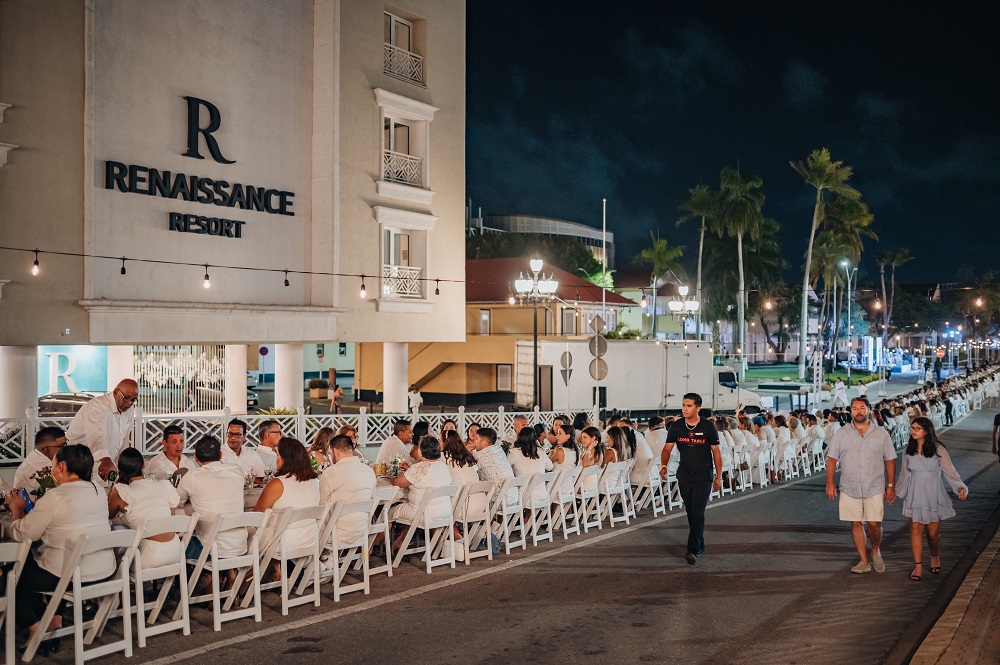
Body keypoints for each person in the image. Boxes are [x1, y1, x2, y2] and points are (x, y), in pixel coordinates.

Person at [7, 444, 113, 642]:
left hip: (71, 575)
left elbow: (25, 534)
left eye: (53, 464)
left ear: (61, 466)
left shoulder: (56, 496)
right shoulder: (98, 491)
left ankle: (35, 627)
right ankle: (55, 619)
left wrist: (16, 510)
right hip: (104, 571)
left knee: (10, 574)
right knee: (56, 557)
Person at [825, 397, 897, 574]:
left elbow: (890, 459)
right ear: (850, 411)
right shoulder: (841, 433)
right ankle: (864, 561)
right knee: (856, 523)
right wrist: (830, 482)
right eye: (855, 408)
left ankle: (875, 550)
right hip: (849, 486)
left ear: (869, 410)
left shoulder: (881, 434)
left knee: (874, 524)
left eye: (862, 408)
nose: (858, 411)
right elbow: (832, 459)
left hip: (875, 486)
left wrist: (890, 484)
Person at [896, 417, 968, 580]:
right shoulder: (908, 449)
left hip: (933, 491)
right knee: (915, 529)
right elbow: (904, 474)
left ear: (926, 431)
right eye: (912, 428)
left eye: (918, 428)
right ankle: (918, 566)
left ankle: (934, 555)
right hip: (915, 492)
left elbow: (950, 471)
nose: (913, 431)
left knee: (933, 533)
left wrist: (960, 488)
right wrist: (896, 492)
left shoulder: (938, 449)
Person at [659, 393, 723, 565]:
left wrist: (718, 477)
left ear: (698, 408)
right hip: (684, 475)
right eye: (683, 405)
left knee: (698, 511)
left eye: (689, 406)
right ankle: (699, 543)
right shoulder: (677, 426)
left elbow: (716, 452)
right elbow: (667, 449)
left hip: (703, 476)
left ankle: (693, 549)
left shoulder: (708, 426)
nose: (685, 409)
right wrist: (663, 465)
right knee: (690, 511)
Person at [253, 438, 321, 576]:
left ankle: (239, 574)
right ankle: (275, 568)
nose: (276, 459)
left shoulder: (277, 484)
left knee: (244, 534)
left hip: (283, 543)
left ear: (286, 459)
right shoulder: (315, 482)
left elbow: (256, 515)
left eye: (278, 455)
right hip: (308, 540)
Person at [107, 448, 183, 568]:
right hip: (176, 551)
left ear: (119, 469)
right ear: (144, 465)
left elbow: (108, 515)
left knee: (116, 542)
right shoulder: (162, 485)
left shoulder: (123, 491)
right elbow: (171, 514)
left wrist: (115, 485)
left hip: (150, 557)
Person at [177, 436, 248, 560]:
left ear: (195, 458)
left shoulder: (191, 476)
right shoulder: (237, 470)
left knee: (176, 544)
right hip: (240, 546)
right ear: (221, 455)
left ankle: (205, 573)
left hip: (211, 550)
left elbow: (177, 502)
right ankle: (227, 570)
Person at [65, 378, 139, 480]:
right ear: (116, 392)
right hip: (79, 465)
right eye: (127, 398)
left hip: (107, 466)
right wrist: (105, 459)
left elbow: (124, 441)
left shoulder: (129, 410)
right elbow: (97, 436)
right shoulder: (98, 407)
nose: (130, 403)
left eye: (134, 400)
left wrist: (124, 466)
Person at [389, 435, 452, 550]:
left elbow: (397, 483)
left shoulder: (418, 468)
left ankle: (371, 547)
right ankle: (401, 541)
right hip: (444, 513)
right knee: (409, 506)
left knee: (387, 513)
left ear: (421, 451)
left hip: (422, 514)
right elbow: (426, 477)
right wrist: (410, 470)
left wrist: (391, 477)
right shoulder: (443, 467)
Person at [319, 434, 376, 546]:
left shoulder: (331, 472)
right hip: (361, 531)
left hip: (335, 533)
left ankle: (320, 557)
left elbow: (321, 505)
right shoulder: (369, 471)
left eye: (330, 453)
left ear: (335, 451)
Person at [471, 427, 518, 506]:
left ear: (484, 443)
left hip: (499, 503)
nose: (474, 441)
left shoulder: (481, 455)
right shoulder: (499, 450)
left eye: (476, 439)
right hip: (513, 500)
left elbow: (471, 471)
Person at [13, 427, 65, 493]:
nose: (66, 448)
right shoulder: (38, 469)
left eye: (66, 443)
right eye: (62, 445)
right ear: (46, 449)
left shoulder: (44, 457)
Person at [507, 427, 551, 502]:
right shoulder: (541, 451)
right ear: (535, 439)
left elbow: (506, 469)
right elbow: (550, 467)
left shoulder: (514, 452)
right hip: (542, 495)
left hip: (524, 496)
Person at [549, 424, 579, 494]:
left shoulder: (560, 451)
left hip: (556, 490)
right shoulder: (575, 452)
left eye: (560, 433)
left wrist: (551, 454)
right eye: (557, 433)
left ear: (567, 436)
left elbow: (548, 465)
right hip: (567, 490)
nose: (557, 436)